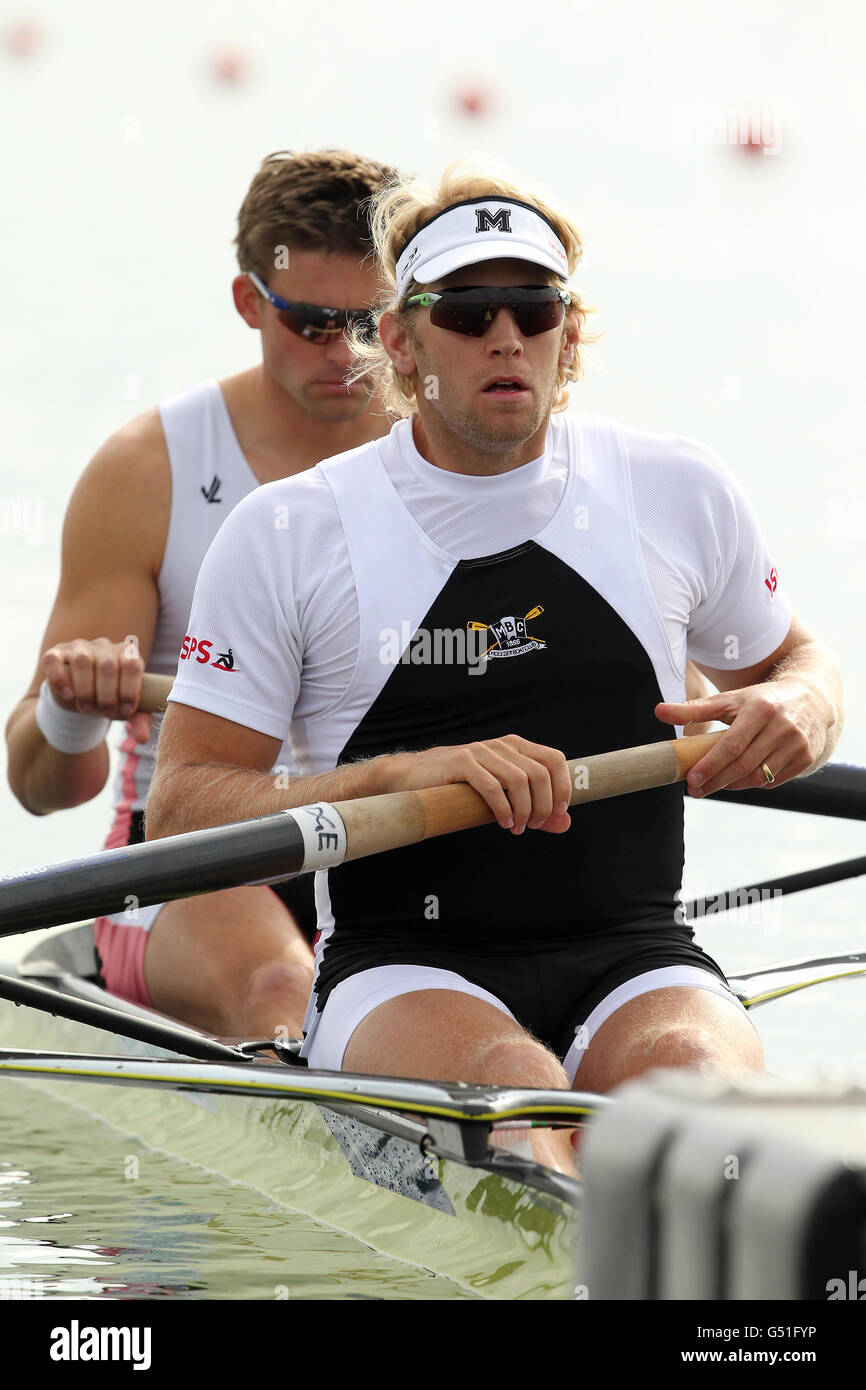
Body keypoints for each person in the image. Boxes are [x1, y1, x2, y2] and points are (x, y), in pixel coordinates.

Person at [146, 165, 842, 1167]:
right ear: (399, 338)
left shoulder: (673, 488)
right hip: (402, 967)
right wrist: (394, 779)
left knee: (711, 1129)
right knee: (524, 1123)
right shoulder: (289, 532)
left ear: (566, 332)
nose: (506, 336)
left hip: (637, 954)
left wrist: (800, 706)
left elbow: (795, 661)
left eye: (533, 306)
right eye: (468, 311)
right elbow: (179, 812)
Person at [5, 148, 398, 1038]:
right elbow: (39, 787)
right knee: (279, 993)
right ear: (250, 302)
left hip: (397, 842)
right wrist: (72, 714)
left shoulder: (451, 453)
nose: (347, 353)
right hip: (189, 861)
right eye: (312, 322)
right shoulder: (148, 471)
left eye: (370, 322)